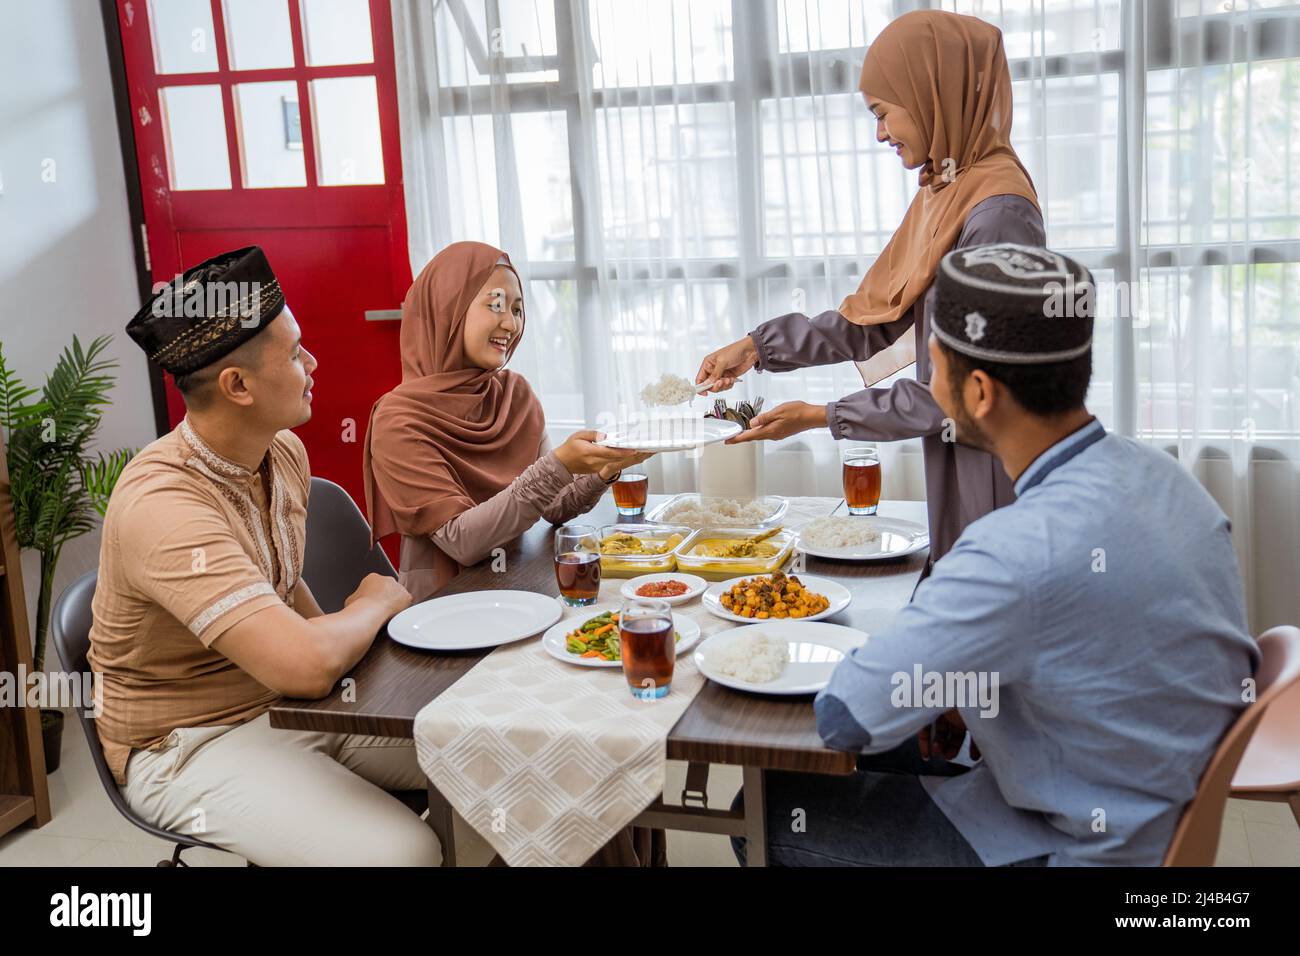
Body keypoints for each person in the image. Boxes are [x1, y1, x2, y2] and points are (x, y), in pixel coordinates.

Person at [734, 244, 1259, 866]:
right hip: (1149, 816)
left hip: (1069, 847)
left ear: (978, 392)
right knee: (895, 747)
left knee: (762, 812)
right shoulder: (1165, 479)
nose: (925, 386)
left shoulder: (1014, 546)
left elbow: (845, 718)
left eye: (931, 368)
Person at [92, 246, 441, 866]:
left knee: (489, 750)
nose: (312, 362)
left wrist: (326, 643)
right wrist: (375, 599)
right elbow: (303, 666)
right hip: (187, 747)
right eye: (294, 351)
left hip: (285, 707)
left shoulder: (282, 453)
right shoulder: (164, 505)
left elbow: (284, 602)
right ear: (237, 385)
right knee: (402, 854)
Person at [697, 9, 1043, 565]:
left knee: (986, 624)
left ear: (933, 93)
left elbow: (969, 394)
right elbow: (878, 316)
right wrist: (758, 348)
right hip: (963, 457)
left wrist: (821, 416)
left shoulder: (996, 213)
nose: (880, 132)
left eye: (883, 112)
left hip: (992, 470)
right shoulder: (953, 190)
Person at [362, 241, 651, 601]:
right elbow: (464, 542)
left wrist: (607, 465)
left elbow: (556, 506)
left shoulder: (514, 393)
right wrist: (558, 465)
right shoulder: (399, 419)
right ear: (447, 308)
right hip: (444, 612)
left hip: (521, 587)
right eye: (496, 305)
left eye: (517, 309)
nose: (511, 323)